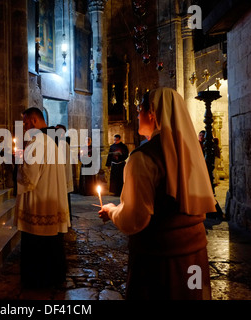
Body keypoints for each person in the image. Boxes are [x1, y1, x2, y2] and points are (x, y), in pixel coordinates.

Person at [98, 87, 217, 300]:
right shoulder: (192, 150)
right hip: (195, 257)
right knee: (192, 293)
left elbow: (136, 218)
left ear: (151, 113)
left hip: (161, 260)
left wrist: (113, 211)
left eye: (139, 109)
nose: (137, 114)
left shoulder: (142, 157)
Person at [15, 107, 70, 288]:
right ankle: (54, 278)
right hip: (51, 201)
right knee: (52, 243)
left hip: (38, 205)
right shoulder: (51, 142)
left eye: (25, 122)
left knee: (38, 244)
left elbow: (29, 178)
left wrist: (19, 163)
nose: (24, 127)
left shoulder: (37, 143)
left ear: (35, 121)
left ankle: (38, 281)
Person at [56, 124, 74, 221]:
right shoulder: (56, 143)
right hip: (58, 175)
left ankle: (66, 217)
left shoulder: (63, 144)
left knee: (64, 197)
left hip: (62, 174)